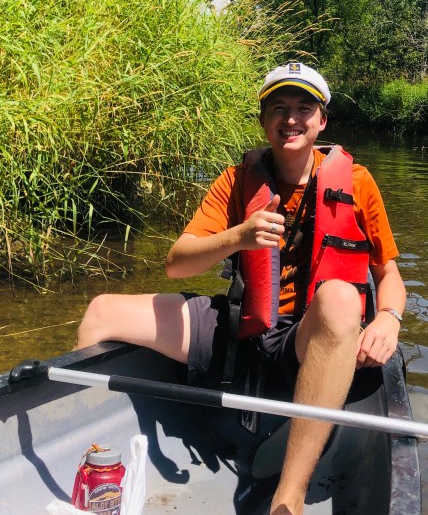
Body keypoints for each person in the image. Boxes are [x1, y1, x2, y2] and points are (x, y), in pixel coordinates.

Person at [76, 62, 406, 515]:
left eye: (303, 107)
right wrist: (239, 236)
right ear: (263, 119)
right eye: (278, 108)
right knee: (101, 312)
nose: (290, 118)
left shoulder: (358, 183)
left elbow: (388, 276)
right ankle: (93, 459)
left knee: (341, 297)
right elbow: (176, 263)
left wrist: (389, 318)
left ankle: (288, 497)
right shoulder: (235, 181)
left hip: (310, 339)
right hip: (243, 328)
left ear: (322, 120)